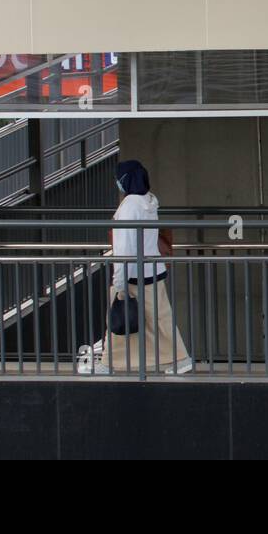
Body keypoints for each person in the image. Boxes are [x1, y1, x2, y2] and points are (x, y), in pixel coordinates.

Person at [97, 159, 191, 375]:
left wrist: (119, 281)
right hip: (152, 269)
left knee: (119, 318)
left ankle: (109, 364)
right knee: (159, 319)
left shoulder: (129, 205)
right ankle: (178, 360)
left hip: (133, 273)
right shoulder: (148, 200)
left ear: (125, 180)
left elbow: (124, 246)